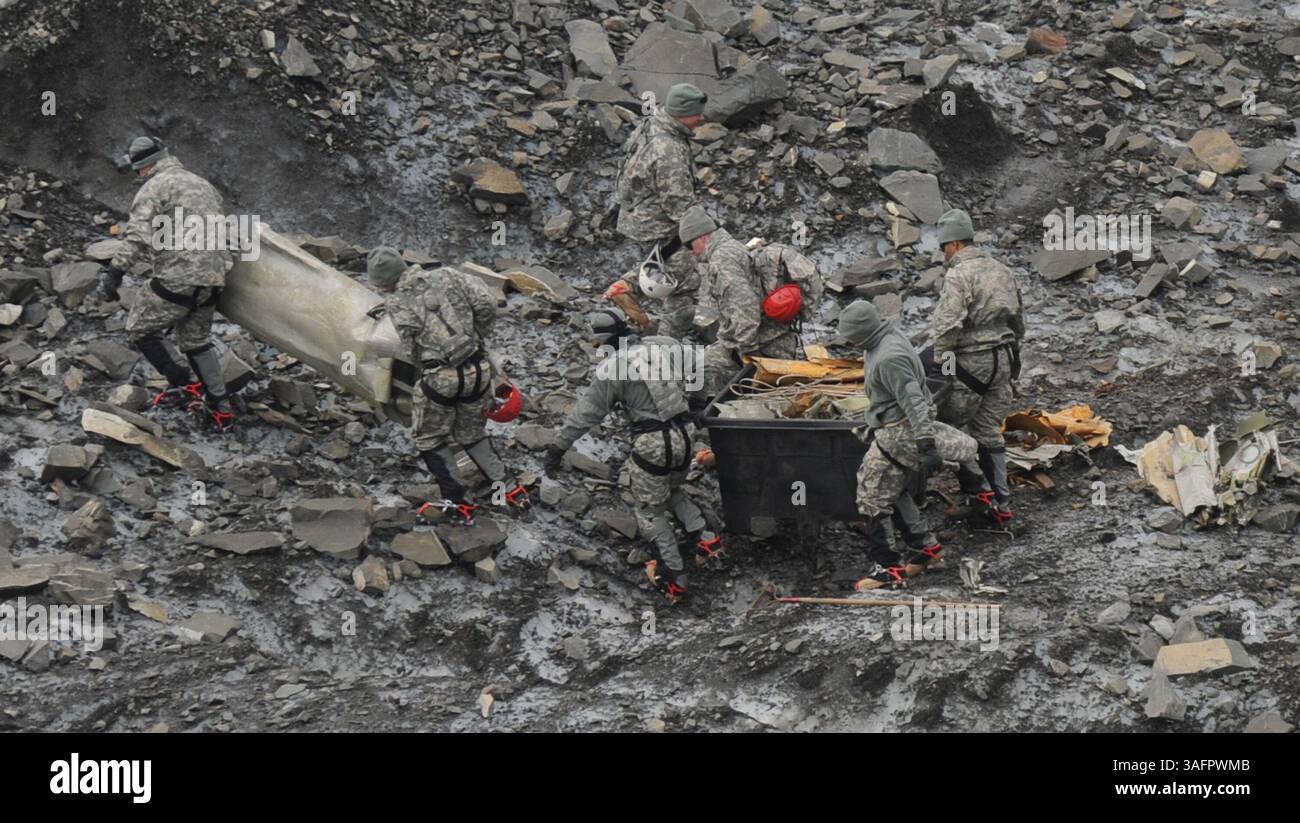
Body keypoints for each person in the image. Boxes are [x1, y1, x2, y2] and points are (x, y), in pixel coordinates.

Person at [543, 308, 721, 604]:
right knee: (672, 489)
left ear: (604, 341)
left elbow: (586, 414)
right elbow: (700, 365)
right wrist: (697, 404)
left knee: (649, 507)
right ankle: (706, 540)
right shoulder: (663, 343)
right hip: (685, 435)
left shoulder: (613, 368)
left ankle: (673, 575)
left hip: (652, 443)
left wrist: (557, 448)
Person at [367, 247, 529, 524]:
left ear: (383, 283)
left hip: (441, 380)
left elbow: (410, 346)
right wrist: (477, 336)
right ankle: (510, 489)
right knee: (471, 433)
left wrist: (431, 362)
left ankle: (459, 501)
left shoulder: (396, 303)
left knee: (429, 438)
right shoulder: (449, 275)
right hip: (479, 369)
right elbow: (486, 304)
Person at [837, 300, 983, 590]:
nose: (849, 342)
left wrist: (926, 444)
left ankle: (886, 567)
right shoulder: (886, 337)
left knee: (871, 494)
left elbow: (914, 400)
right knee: (896, 487)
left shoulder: (888, 358)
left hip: (900, 432)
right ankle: (924, 548)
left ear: (863, 332)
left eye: (851, 336)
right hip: (892, 424)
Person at [100, 135, 237, 429]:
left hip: (179, 274)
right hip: (214, 277)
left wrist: (114, 273)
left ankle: (185, 384)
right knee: (196, 341)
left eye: (137, 171)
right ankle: (221, 408)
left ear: (144, 167)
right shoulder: (202, 184)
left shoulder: (154, 187)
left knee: (139, 327)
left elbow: (138, 236)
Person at [932, 208, 1025, 526]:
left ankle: (977, 495)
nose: (943, 254)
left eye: (943, 247)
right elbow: (1018, 320)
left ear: (954, 244)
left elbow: (947, 324)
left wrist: (939, 360)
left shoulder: (959, 275)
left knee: (950, 427)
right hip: (1003, 358)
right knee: (987, 429)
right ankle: (1001, 502)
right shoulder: (1002, 270)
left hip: (972, 362)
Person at [605, 83, 708, 341]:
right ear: (683, 113)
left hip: (638, 214)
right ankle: (667, 343)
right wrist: (698, 235)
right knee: (684, 282)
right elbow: (678, 202)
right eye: (697, 114)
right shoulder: (669, 149)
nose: (702, 118)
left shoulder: (653, 125)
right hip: (658, 221)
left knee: (662, 261)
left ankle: (626, 287)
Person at [679, 205, 801, 398]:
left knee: (696, 376)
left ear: (703, 237)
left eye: (689, 245)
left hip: (761, 346)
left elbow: (745, 306)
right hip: (773, 338)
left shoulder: (722, 260)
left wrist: (749, 355)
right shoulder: (733, 247)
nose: (690, 252)